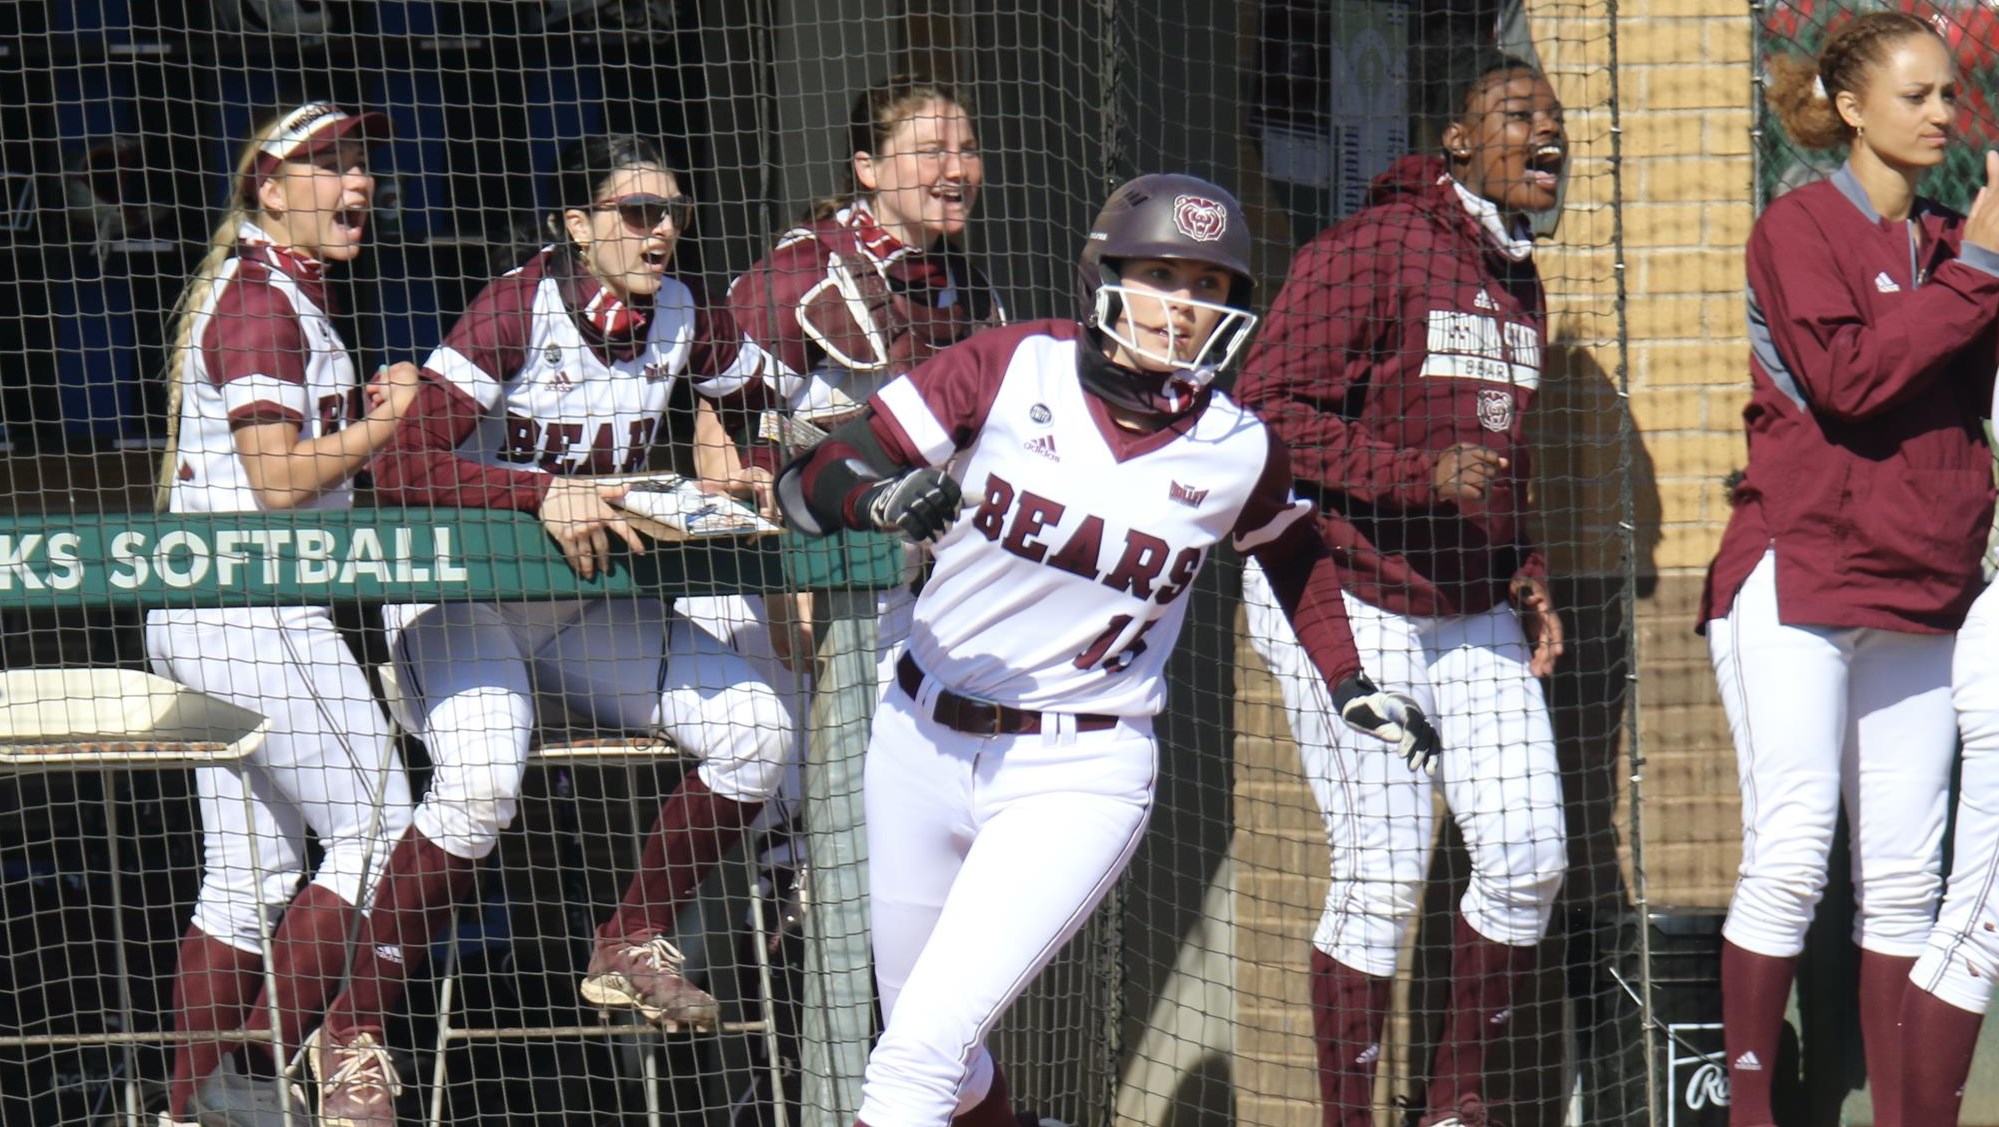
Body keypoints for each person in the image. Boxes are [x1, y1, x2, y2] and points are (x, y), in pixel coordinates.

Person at [774, 173, 1441, 1127]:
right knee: (937, 1050)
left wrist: (1347, 677)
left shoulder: (1237, 446)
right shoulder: (1014, 365)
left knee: (912, 1063)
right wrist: (873, 497)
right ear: (1107, 275)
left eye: (1208, 285)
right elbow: (813, 476)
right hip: (917, 736)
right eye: (1161, 274)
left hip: (1076, 767)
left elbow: (1291, 547)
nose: (1183, 303)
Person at [296, 134, 799, 1127]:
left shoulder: (687, 309)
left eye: (671, 212)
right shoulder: (517, 307)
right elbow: (400, 464)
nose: (660, 231)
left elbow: (758, 394)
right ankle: (350, 1032)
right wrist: (541, 491)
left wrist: (758, 464)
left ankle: (632, 937)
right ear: (576, 224)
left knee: (760, 730)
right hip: (461, 597)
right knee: (484, 779)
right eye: (635, 212)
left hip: (583, 600)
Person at [1232, 52, 1569, 1127]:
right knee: (1380, 868)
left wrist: (1524, 570)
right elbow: (1264, 408)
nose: (1547, 131)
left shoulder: (1520, 278)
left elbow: (1500, 453)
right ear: (1456, 142)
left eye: (1554, 118)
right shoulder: (1370, 245)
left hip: (1468, 604)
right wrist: (1410, 475)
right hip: (1344, 588)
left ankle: (1452, 1102)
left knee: (1527, 856)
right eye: (1517, 113)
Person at [1700, 12, 1999, 1126]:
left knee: (1905, 883)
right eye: (1916, 95)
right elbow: (1849, 379)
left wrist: (1975, 265)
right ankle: (1751, 1111)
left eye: (1948, 93)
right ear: (1849, 106)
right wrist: (1978, 271)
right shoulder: (1797, 226)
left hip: (1926, 588)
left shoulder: (1954, 240)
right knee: (1789, 856)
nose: (1941, 113)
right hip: (1801, 575)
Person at [142, 101, 420, 1127]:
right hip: (250, 606)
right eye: (330, 165)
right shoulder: (262, 298)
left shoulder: (276, 285)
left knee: (249, 873)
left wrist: (364, 417)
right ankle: (254, 1078)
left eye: (361, 163)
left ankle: (188, 1113)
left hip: (204, 609)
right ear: (268, 186)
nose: (358, 182)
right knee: (382, 831)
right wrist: (389, 419)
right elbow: (278, 480)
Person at [721, 72, 1004, 682]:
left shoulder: (971, 292)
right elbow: (719, 430)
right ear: (867, 169)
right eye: (931, 151)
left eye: (967, 150)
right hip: (785, 592)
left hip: (901, 588)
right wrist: (783, 597)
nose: (957, 170)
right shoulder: (803, 273)